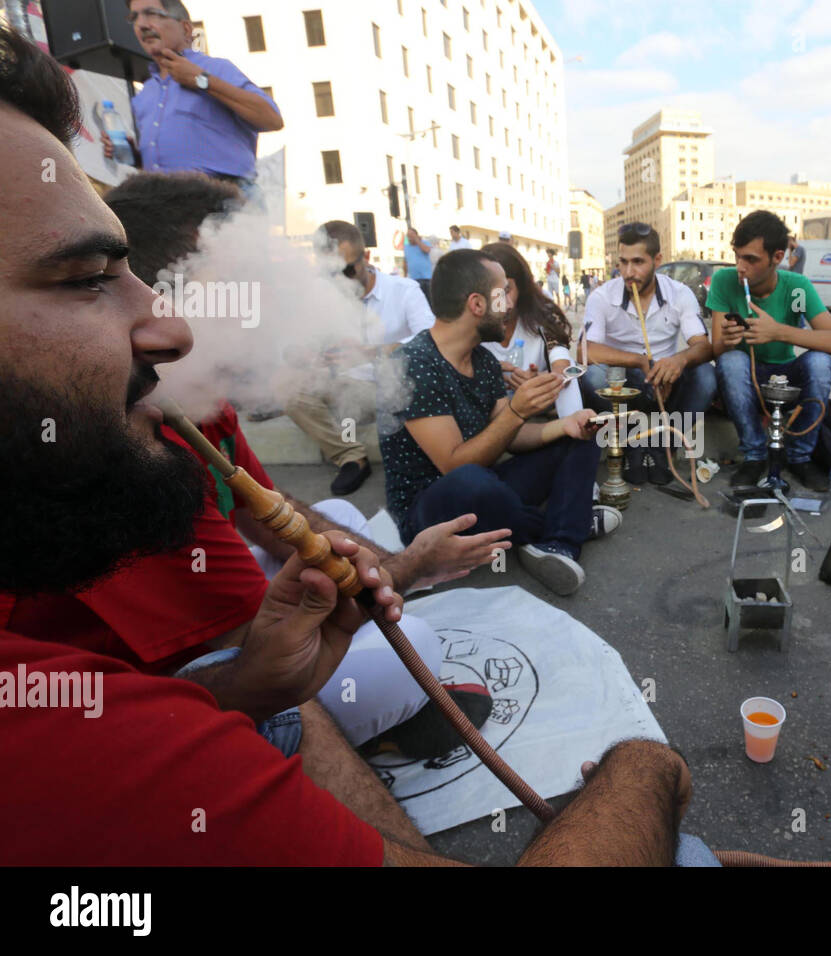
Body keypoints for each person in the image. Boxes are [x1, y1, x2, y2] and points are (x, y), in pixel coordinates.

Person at [0, 24, 693, 866]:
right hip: (269, 624)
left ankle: (550, 538)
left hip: (225, 660)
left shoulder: (166, 419)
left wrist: (253, 681)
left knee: (339, 511)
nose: (173, 330)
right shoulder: (122, 462)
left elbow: (276, 520)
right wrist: (644, 769)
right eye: (83, 280)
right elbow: (460, 466)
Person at [92, 168, 509, 758]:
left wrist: (389, 565)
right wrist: (410, 567)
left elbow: (271, 512)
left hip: (213, 612)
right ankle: (367, 730)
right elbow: (254, 661)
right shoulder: (135, 448)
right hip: (163, 690)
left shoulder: (195, 398)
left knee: (337, 514)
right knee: (408, 645)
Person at [379, 250, 620, 597]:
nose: (509, 305)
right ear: (477, 304)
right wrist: (517, 410)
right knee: (471, 481)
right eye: (501, 294)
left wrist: (563, 428)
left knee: (584, 431)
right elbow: (453, 464)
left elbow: (509, 436)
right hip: (429, 512)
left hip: (487, 485)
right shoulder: (413, 365)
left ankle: (559, 545)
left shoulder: (483, 360)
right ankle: (571, 522)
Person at [282, 219, 435, 496]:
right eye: (331, 273)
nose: (341, 280)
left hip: (396, 390)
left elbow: (431, 340)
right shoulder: (323, 296)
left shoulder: (403, 290)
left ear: (366, 257)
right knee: (289, 388)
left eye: (348, 270)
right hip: (347, 391)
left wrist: (374, 352)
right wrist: (302, 354)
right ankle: (351, 456)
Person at [708, 210, 831, 492]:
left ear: (777, 257)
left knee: (820, 362)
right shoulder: (725, 281)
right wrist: (727, 338)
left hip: (786, 376)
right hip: (747, 375)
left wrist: (778, 331)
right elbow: (715, 348)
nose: (740, 267)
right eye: (738, 256)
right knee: (730, 360)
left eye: (751, 259)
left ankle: (800, 457)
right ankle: (754, 455)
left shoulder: (795, 289)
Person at [580, 222, 717, 485]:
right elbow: (585, 351)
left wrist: (679, 360)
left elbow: (703, 345)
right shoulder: (601, 296)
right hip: (623, 381)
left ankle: (664, 446)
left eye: (638, 262)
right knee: (594, 376)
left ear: (657, 260)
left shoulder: (680, 293)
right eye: (623, 262)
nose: (628, 272)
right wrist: (640, 361)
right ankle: (631, 442)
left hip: (666, 381)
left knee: (706, 377)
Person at [102, 1, 282, 190]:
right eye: (134, 17)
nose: (142, 25)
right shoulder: (145, 94)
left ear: (186, 28)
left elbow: (272, 119)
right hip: (169, 206)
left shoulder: (215, 69)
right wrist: (136, 156)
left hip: (225, 205)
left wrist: (202, 80)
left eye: (152, 14)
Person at [479, 242, 583, 418]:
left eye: (506, 290)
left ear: (521, 286)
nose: (501, 302)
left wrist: (542, 381)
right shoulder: (473, 321)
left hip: (539, 403)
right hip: (492, 415)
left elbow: (562, 365)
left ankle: (574, 428)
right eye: (491, 291)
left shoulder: (542, 316)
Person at [404, 226, 439, 305]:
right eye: (408, 235)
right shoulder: (406, 247)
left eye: (412, 235)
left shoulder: (424, 243)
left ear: (416, 235)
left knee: (430, 301)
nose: (410, 237)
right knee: (418, 302)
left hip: (426, 277)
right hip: (414, 279)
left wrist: (417, 241)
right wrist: (405, 275)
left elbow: (427, 250)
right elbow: (405, 261)